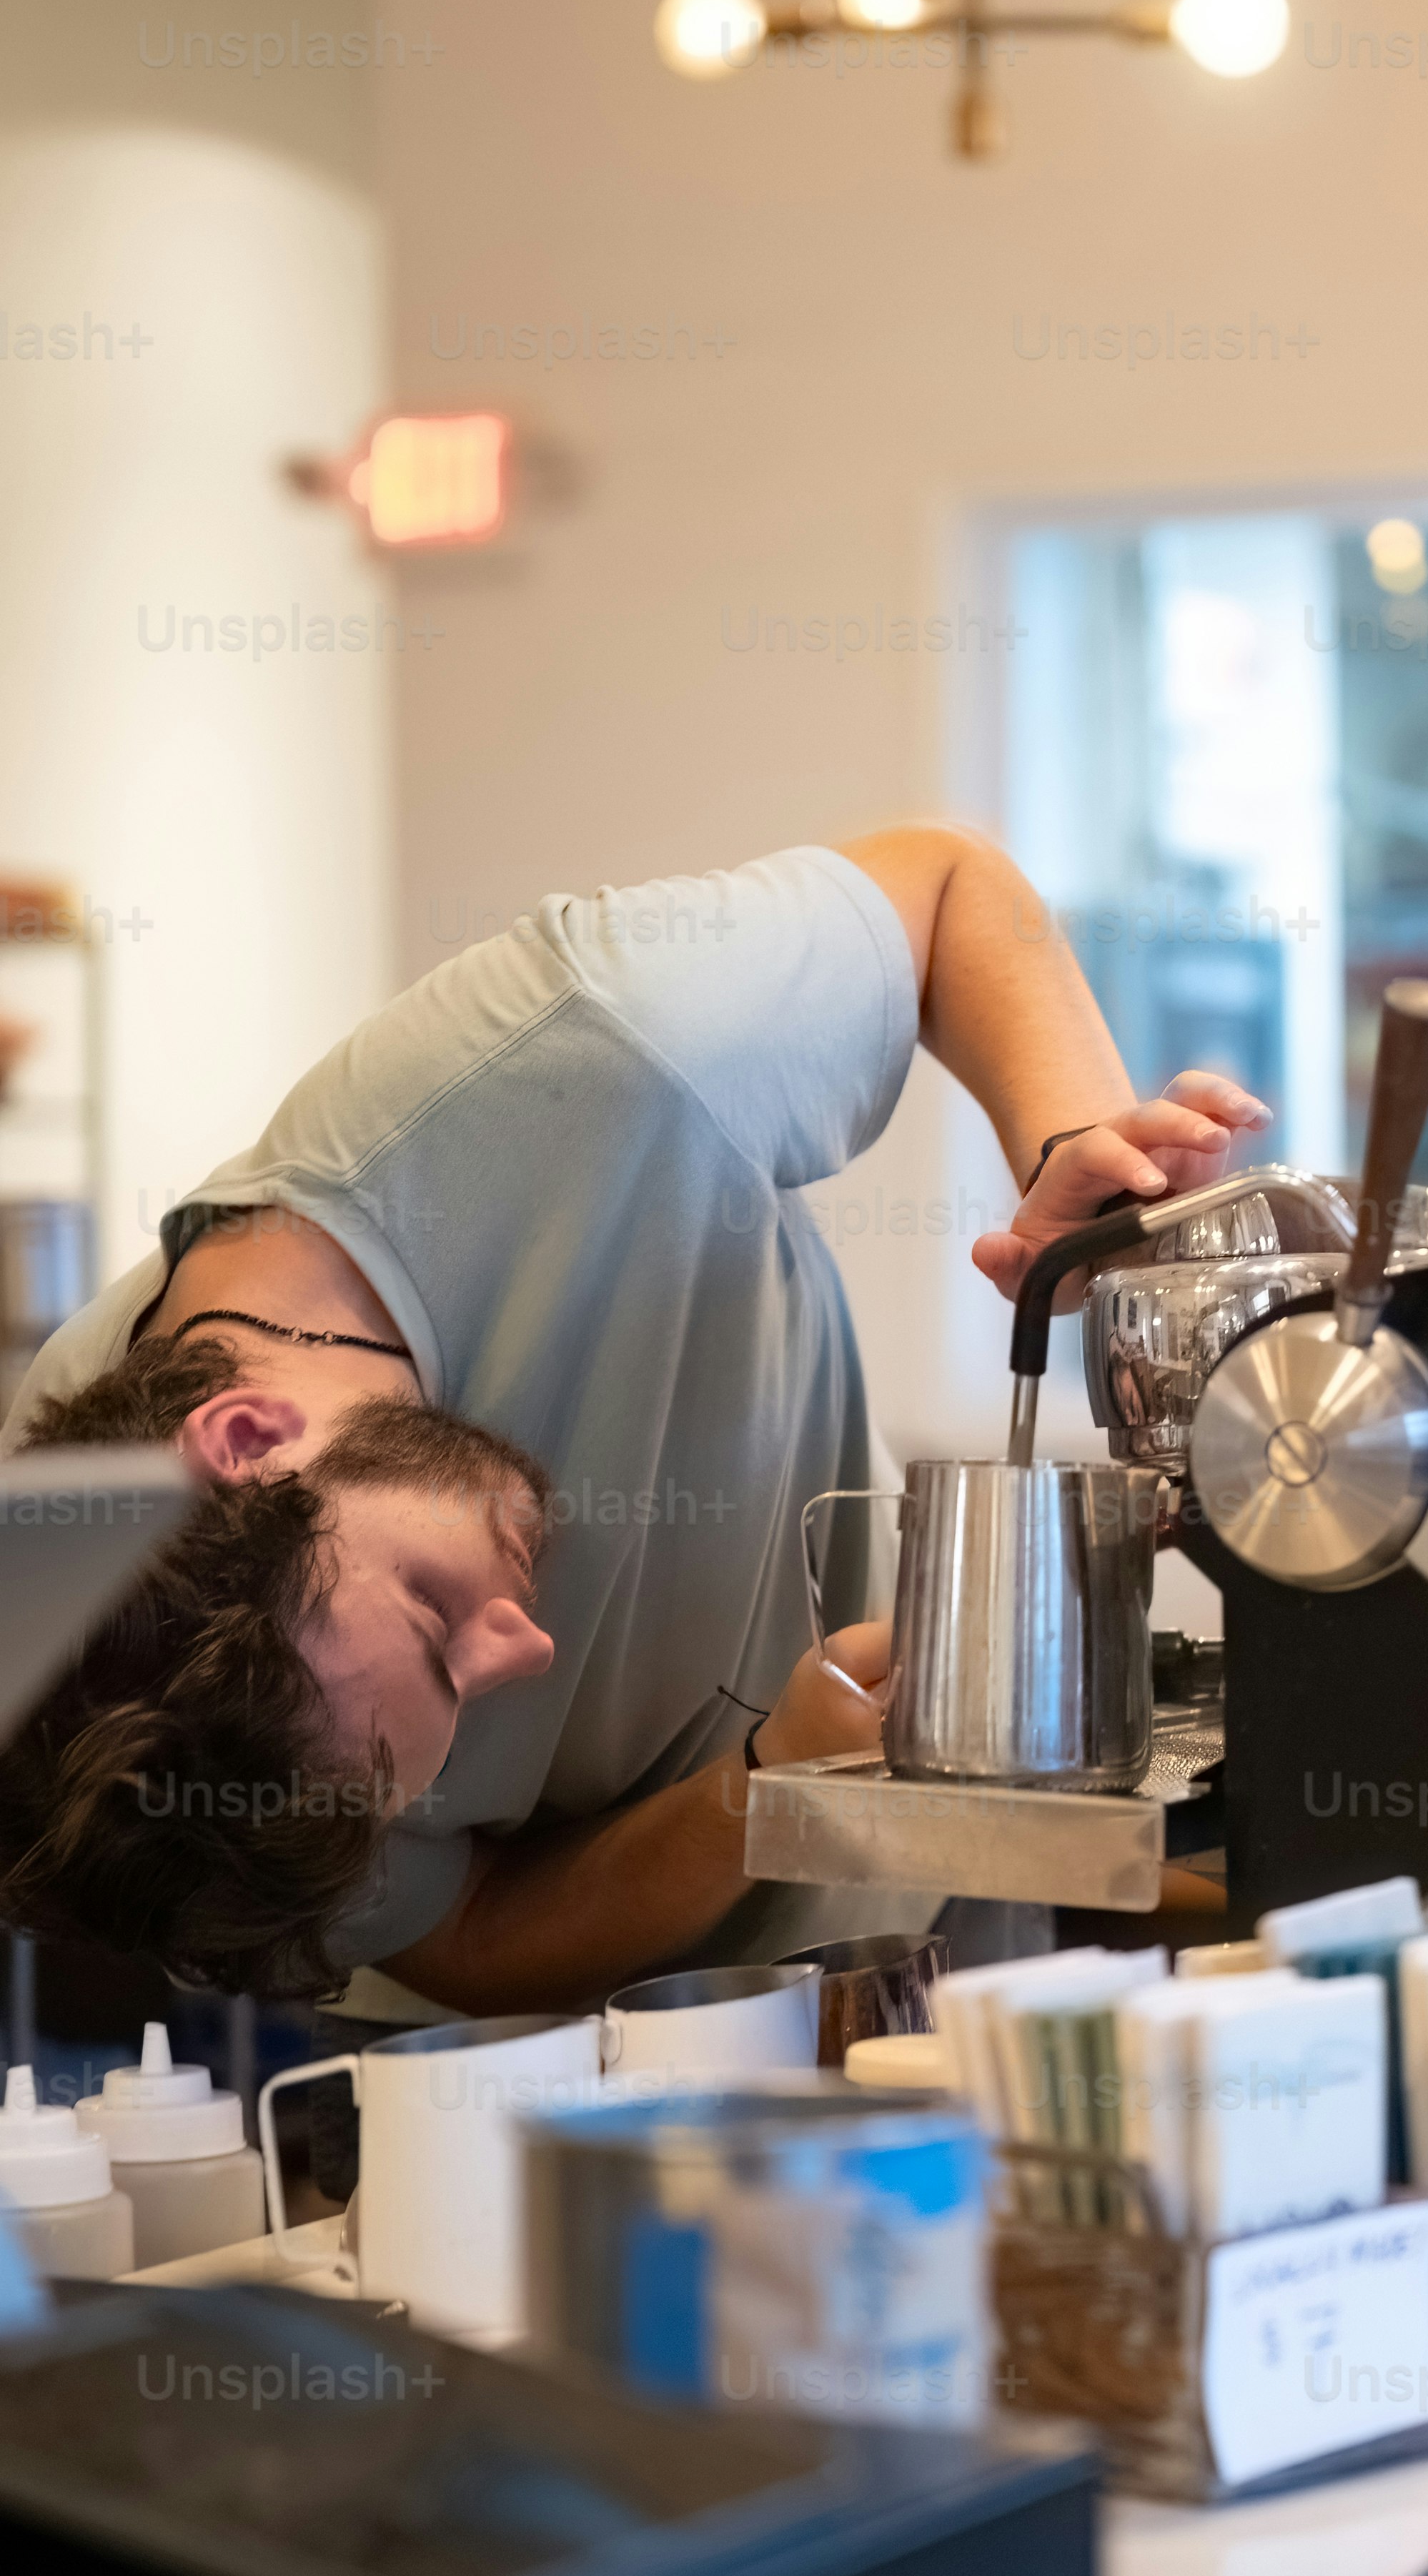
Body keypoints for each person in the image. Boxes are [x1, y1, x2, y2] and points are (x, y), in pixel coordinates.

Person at [0, 831, 1264, 2013]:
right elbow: (473, 1927)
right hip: (504, 2075)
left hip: (911, 1912)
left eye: (435, 1621)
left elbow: (942, 894)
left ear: (246, 1438)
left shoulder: (598, 1051)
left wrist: (1076, 1150)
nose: (518, 1653)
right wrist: (760, 1788)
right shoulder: (90, 1640)